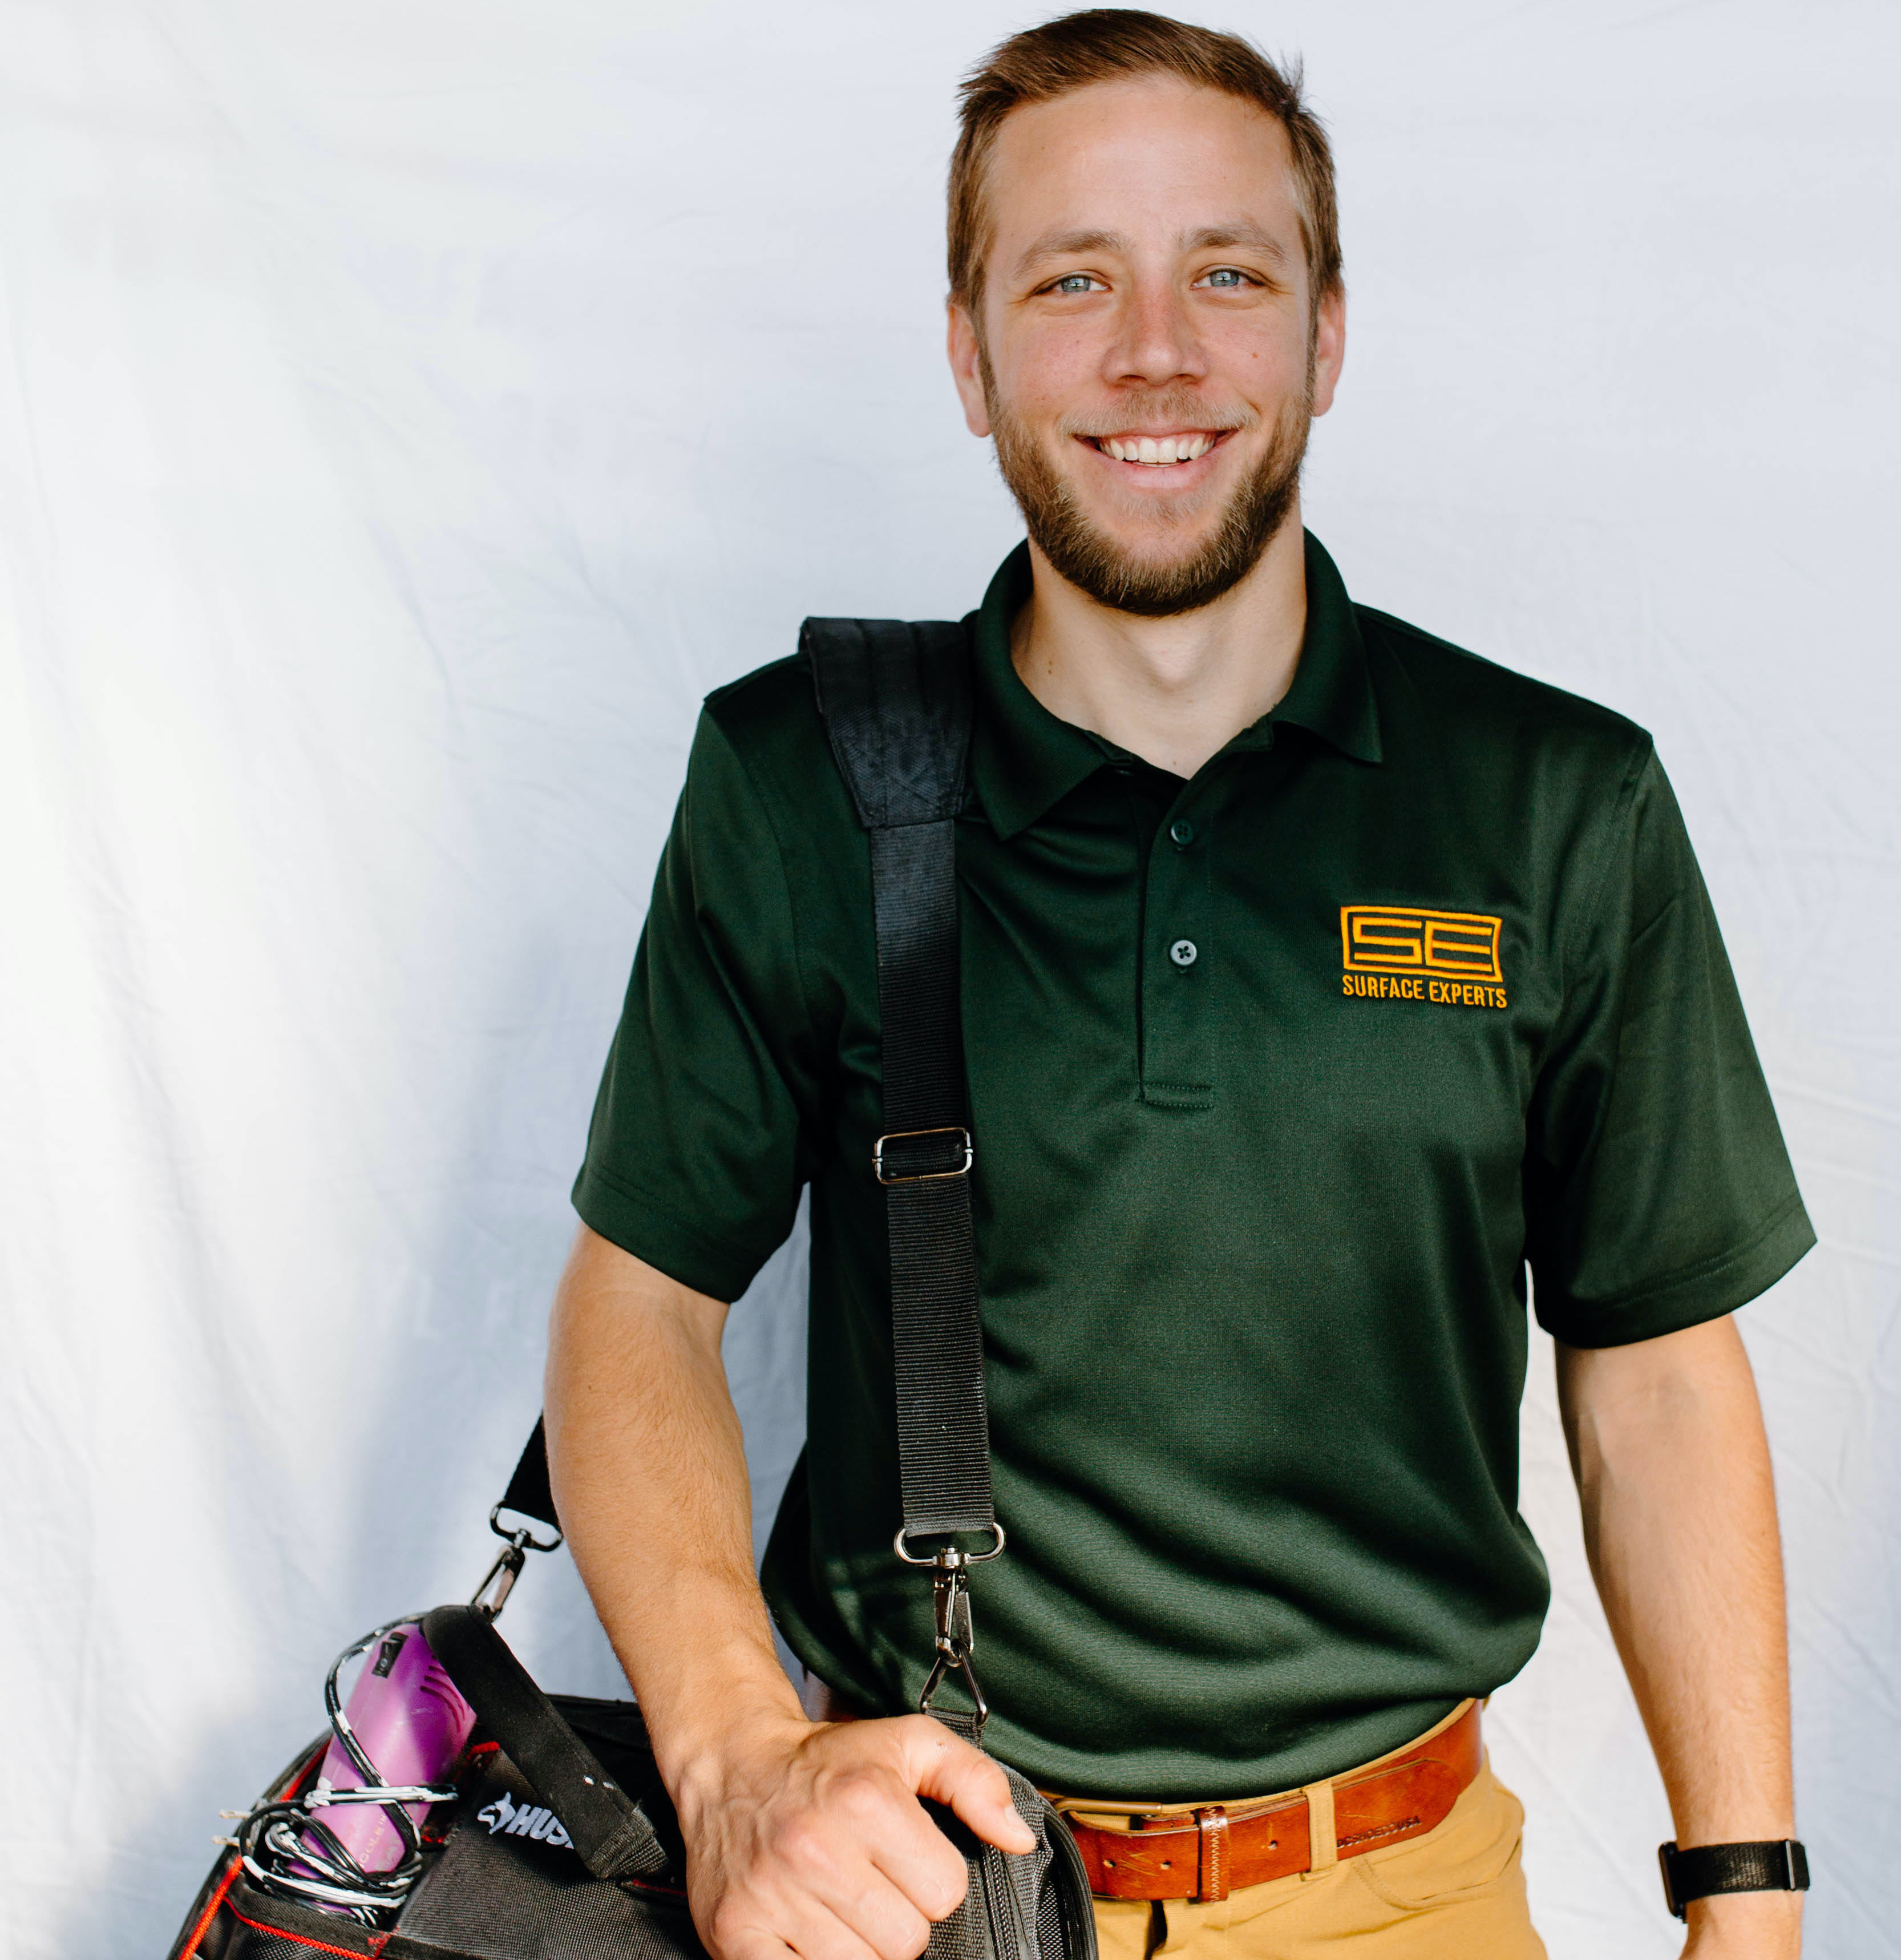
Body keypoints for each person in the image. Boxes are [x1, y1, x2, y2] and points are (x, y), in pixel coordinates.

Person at [544, 12, 1812, 1958]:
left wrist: (1746, 1894)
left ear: (1324, 334)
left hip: (1406, 1895)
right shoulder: (798, 777)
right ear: (969, 355)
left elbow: (1649, 1365)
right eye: (1072, 281)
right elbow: (641, 1298)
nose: (1155, 351)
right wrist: (729, 1761)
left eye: (1227, 272)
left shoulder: (1555, 801)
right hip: (919, 1892)